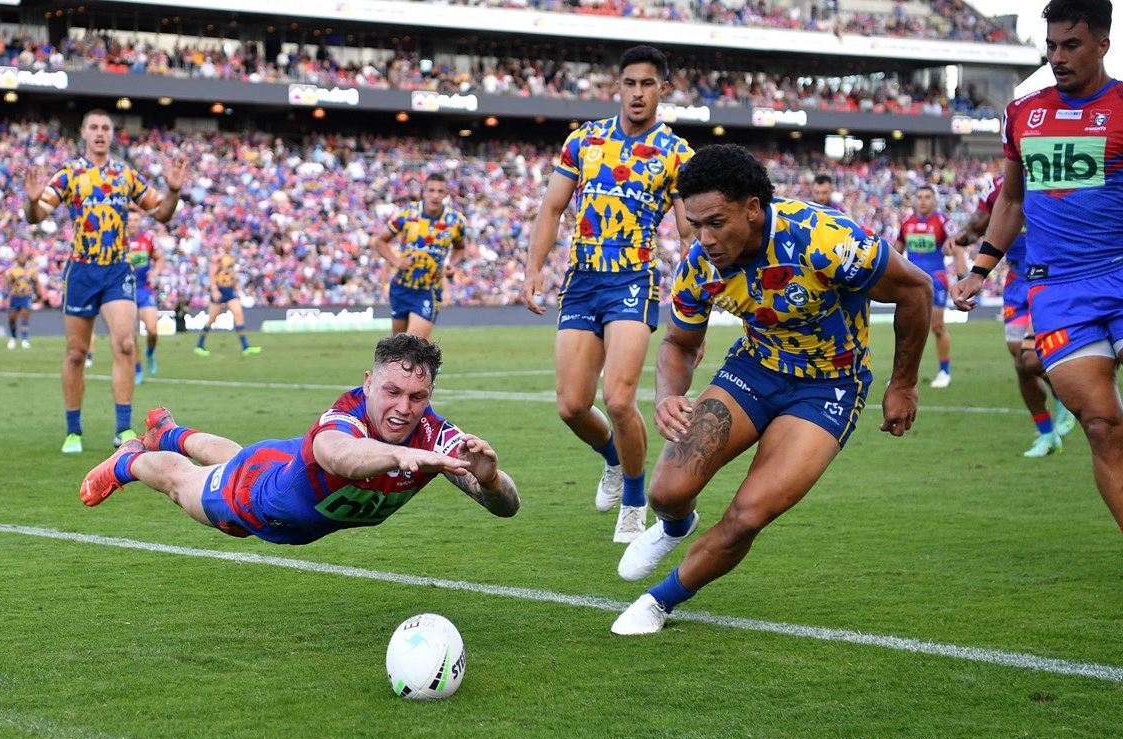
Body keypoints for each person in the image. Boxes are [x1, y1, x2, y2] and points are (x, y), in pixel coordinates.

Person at [610, 143, 933, 636]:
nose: (705, 238)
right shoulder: (701, 266)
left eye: (716, 222)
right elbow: (677, 344)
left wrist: (903, 383)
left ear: (753, 208)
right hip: (755, 372)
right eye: (695, 225)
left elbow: (916, 290)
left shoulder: (823, 239)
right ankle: (676, 527)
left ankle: (660, 601)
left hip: (828, 389)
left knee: (747, 514)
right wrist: (669, 394)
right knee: (667, 492)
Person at [80, 335, 521, 543]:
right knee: (185, 486)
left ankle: (169, 432)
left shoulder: (436, 436)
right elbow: (339, 456)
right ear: (368, 383)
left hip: (282, 465)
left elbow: (507, 507)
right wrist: (404, 455)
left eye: (417, 396)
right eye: (391, 392)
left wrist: (490, 479)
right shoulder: (343, 419)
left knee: (235, 457)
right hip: (257, 498)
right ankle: (129, 459)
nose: (404, 408)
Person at [951, 0, 1123, 531]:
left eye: (1071, 45)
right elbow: (1010, 200)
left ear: (1102, 44)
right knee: (1100, 426)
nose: (1057, 57)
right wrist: (979, 271)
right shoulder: (1024, 112)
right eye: (1050, 46)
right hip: (1058, 294)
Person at [522, 44, 694, 543]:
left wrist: (692, 295)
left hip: (633, 281)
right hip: (581, 281)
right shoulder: (583, 140)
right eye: (629, 83)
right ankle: (614, 459)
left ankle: (637, 502)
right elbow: (552, 209)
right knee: (572, 407)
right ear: (617, 87)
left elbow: (686, 235)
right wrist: (533, 269)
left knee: (618, 399)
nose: (637, 93)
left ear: (663, 88)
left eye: (647, 84)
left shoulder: (678, 154)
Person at [21, 109, 188, 453]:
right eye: (93, 127)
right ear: (83, 132)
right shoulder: (69, 174)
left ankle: (124, 430)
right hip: (81, 271)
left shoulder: (125, 175)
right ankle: (73, 431)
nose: (99, 133)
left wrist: (172, 191)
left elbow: (162, 213)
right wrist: (32, 200)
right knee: (76, 352)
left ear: (112, 134)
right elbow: (37, 216)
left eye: (105, 128)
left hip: (117, 270)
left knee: (126, 343)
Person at [950, 176, 1076, 457]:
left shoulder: (1053, 176)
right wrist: (961, 238)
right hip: (1017, 280)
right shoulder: (1000, 188)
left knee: (1030, 357)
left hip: (1047, 279)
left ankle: (1065, 398)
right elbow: (977, 226)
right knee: (1020, 362)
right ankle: (1047, 434)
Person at [374, 173, 467, 340]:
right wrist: (396, 261)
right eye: (431, 190)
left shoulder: (455, 221)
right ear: (424, 192)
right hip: (401, 286)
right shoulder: (407, 214)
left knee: (413, 343)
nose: (435, 195)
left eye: (440, 191)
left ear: (446, 194)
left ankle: (429, 363)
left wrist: (453, 264)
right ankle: (432, 366)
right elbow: (380, 241)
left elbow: (459, 248)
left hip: (429, 290)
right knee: (399, 346)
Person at [894, 185, 964, 388]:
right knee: (905, 328)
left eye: (927, 197)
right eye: (920, 196)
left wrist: (961, 278)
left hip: (936, 279)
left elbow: (958, 249)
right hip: (911, 280)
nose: (923, 200)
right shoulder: (906, 223)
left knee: (937, 325)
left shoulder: (942, 221)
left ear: (934, 200)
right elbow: (897, 252)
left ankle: (944, 372)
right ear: (914, 200)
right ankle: (902, 375)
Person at [195, 232, 261, 357]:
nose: (228, 242)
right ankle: (199, 345)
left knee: (238, 314)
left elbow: (231, 274)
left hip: (230, 290)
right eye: (226, 240)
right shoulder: (218, 257)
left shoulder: (231, 256)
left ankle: (245, 346)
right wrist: (214, 289)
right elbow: (212, 273)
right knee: (212, 319)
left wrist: (237, 288)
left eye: (230, 240)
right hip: (220, 290)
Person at [128, 229, 161, 384]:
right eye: (130, 220)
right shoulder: (118, 238)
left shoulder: (147, 238)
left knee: (153, 330)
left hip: (144, 289)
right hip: (125, 291)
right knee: (131, 335)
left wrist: (155, 271)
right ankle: (138, 370)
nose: (133, 223)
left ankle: (149, 352)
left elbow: (159, 258)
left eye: (136, 220)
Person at [3, 249, 41, 350]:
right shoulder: (13, 270)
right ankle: (13, 338)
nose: (22, 258)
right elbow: (7, 281)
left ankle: (24, 339)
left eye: (24, 257)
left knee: (25, 317)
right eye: (21, 257)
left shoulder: (30, 270)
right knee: (12, 318)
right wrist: (6, 294)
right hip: (15, 296)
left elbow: (36, 282)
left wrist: (39, 294)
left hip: (26, 296)